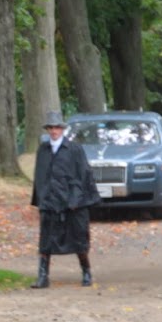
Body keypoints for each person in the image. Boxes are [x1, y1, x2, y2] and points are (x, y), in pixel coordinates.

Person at [29, 110, 99, 289]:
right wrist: (42, 199)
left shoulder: (74, 149)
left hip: (72, 203)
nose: (54, 131)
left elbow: (82, 175)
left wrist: (75, 200)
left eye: (57, 127)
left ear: (62, 129)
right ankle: (43, 276)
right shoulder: (43, 150)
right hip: (50, 202)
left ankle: (86, 272)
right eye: (51, 128)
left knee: (79, 239)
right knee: (46, 240)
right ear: (47, 130)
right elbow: (40, 176)